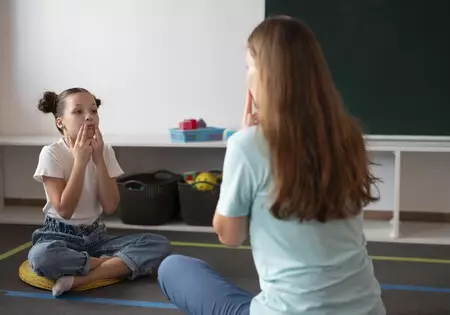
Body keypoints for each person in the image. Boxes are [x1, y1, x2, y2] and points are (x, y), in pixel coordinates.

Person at [157, 15, 386, 315]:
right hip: (368, 310)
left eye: (249, 66)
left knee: (173, 268)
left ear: (266, 75)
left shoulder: (248, 145)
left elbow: (231, 236)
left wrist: (243, 144)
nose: (247, 75)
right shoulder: (348, 136)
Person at [28, 87, 171, 297]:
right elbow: (65, 210)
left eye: (93, 111)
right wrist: (80, 162)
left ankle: (81, 279)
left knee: (159, 244)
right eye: (78, 112)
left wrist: (98, 160)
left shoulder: (105, 151)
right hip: (58, 235)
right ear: (60, 122)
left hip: (95, 236)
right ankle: (105, 265)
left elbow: (111, 206)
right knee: (42, 257)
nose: (89, 117)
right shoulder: (51, 153)